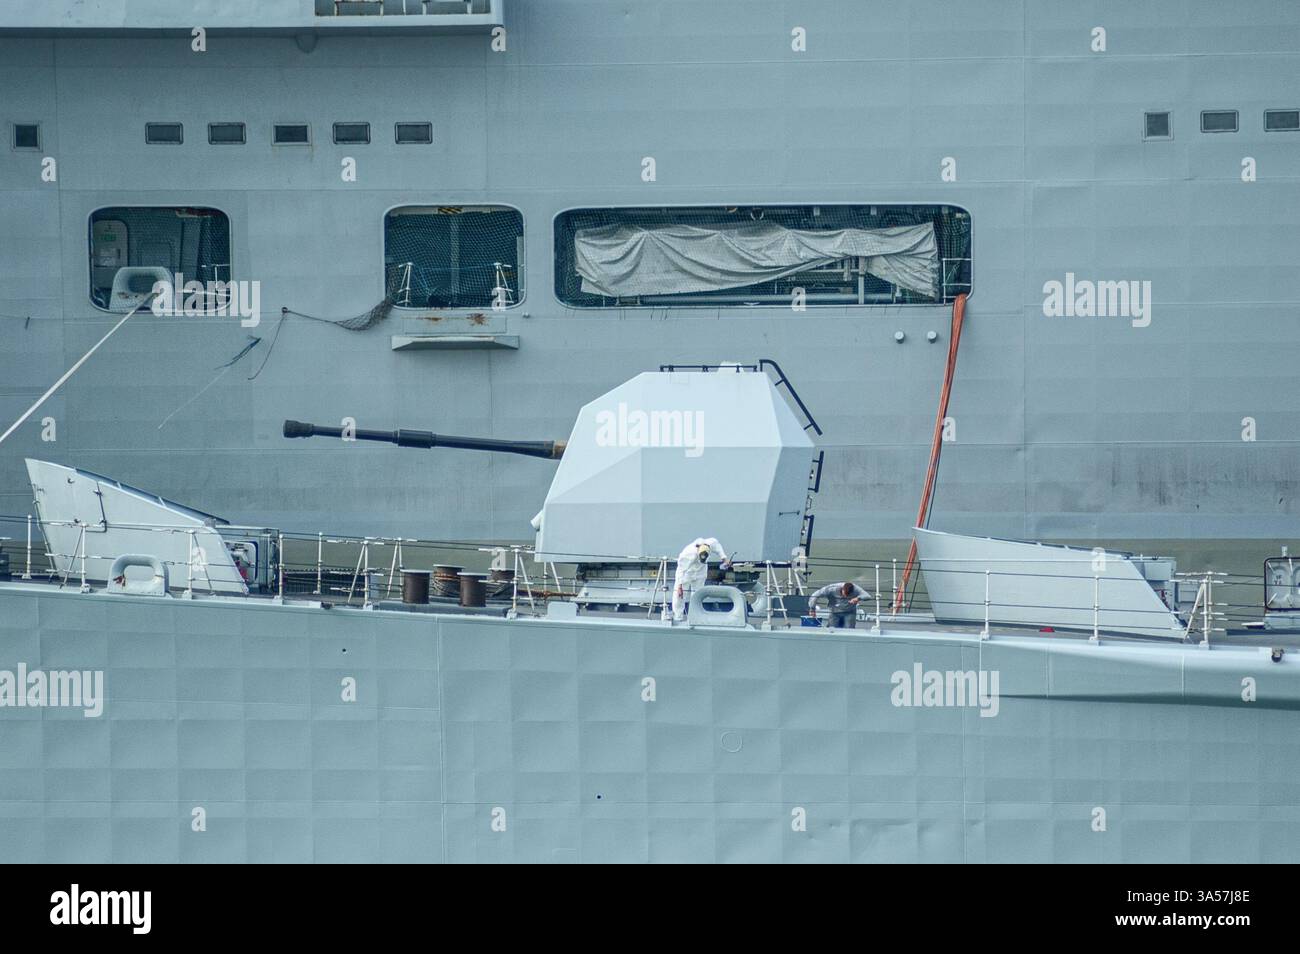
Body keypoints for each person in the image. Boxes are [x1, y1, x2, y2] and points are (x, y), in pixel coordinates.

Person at [672, 537, 731, 621]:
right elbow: (681, 570)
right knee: (680, 596)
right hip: (687, 573)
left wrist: (724, 559)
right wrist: (679, 586)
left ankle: (694, 617)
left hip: (701, 571)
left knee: (697, 594)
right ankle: (678, 616)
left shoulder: (711, 544)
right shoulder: (688, 554)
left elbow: (718, 547)